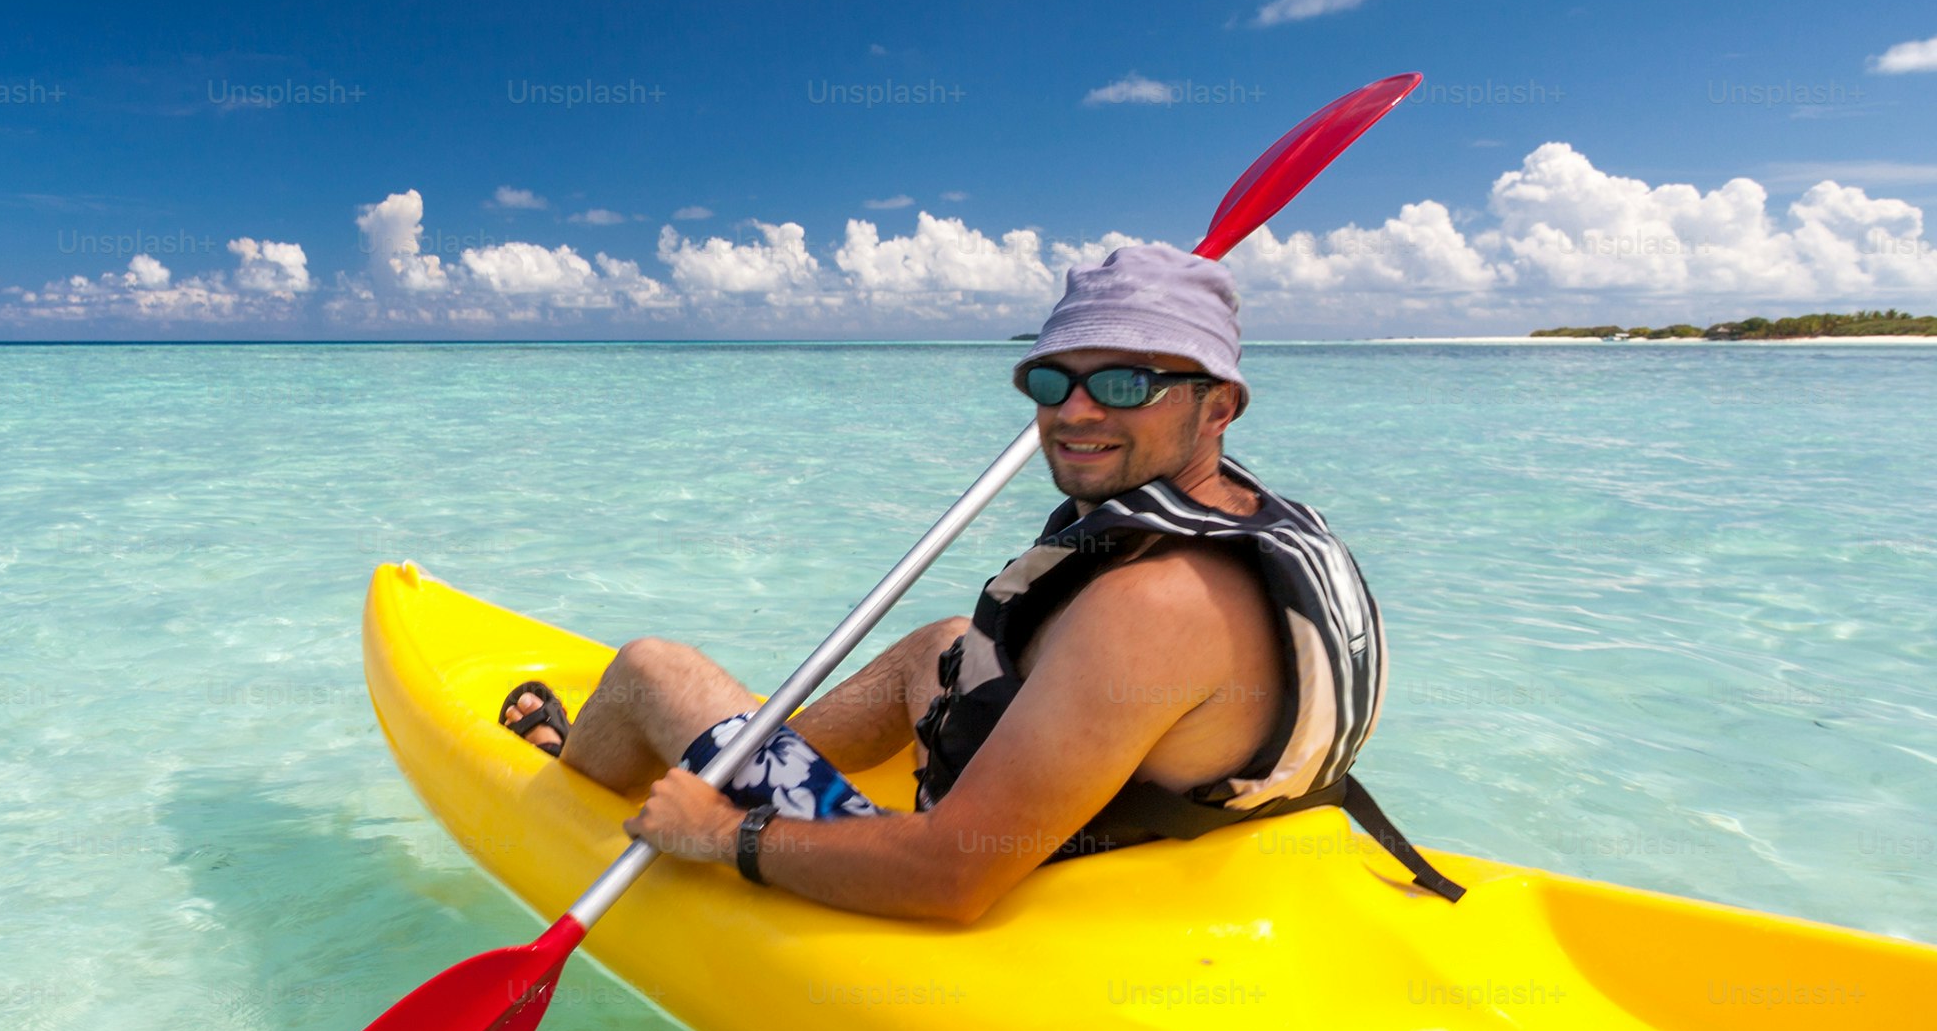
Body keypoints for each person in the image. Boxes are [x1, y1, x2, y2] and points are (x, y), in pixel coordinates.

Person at [496, 242, 1459, 922]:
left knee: (652, 666)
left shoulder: (1153, 606)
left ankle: (588, 775)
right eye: (1055, 381)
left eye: (1124, 382)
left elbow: (953, 878)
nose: (1076, 412)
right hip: (1168, 823)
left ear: (1219, 405)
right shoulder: (1265, 523)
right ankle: (745, 752)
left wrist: (719, 838)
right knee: (948, 641)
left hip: (1033, 882)